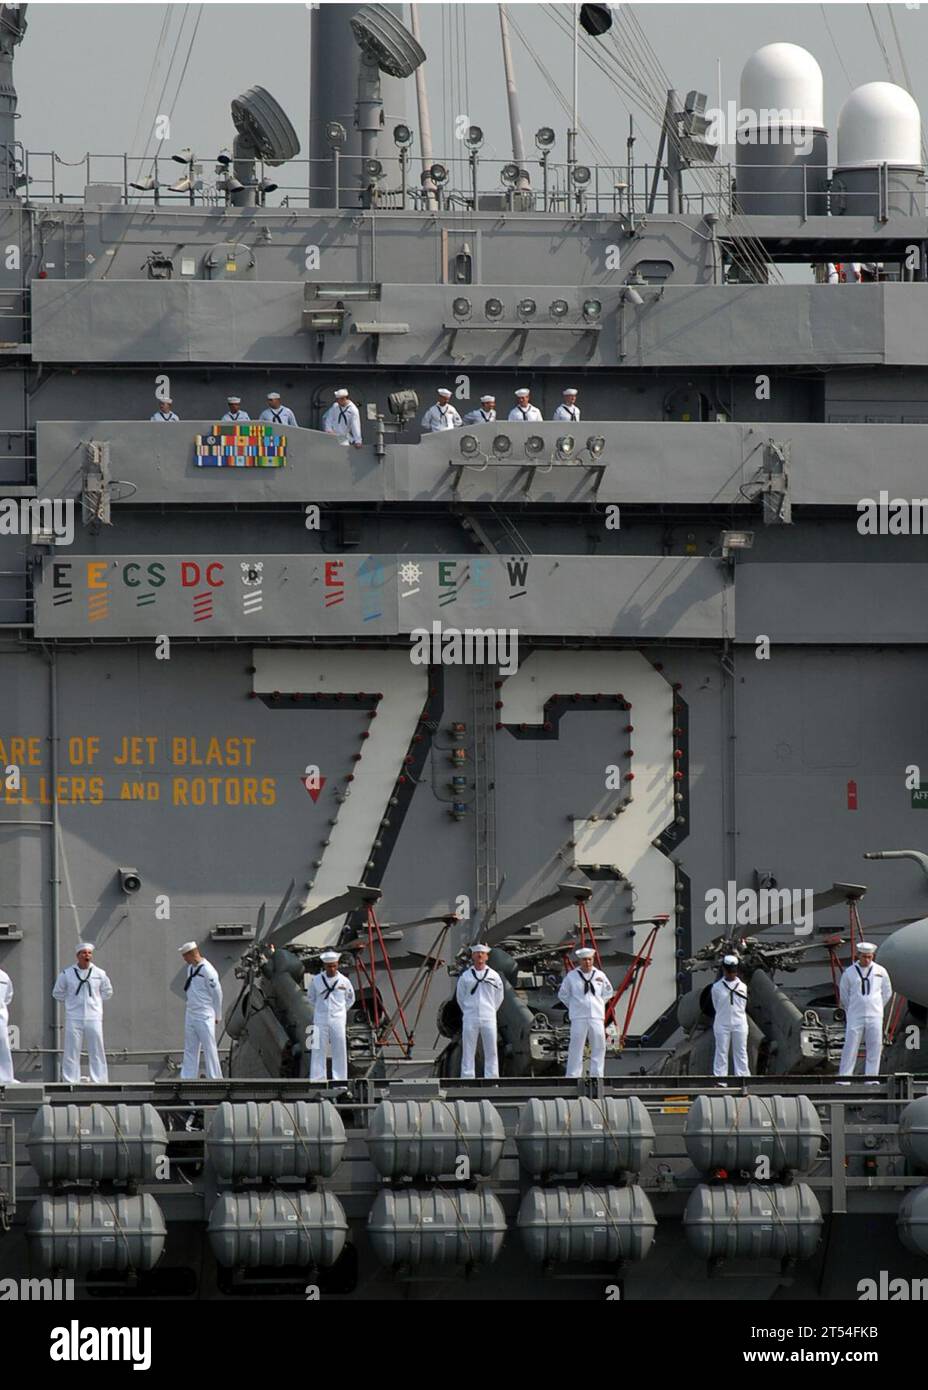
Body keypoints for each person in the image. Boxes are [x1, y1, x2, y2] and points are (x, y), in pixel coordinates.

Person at [52, 942, 113, 1083]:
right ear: (78, 956)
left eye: (89, 953)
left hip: (94, 1016)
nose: (87, 956)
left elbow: (107, 991)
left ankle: (100, 1079)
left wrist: (95, 1002)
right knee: (71, 1049)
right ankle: (70, 1079)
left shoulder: (99, 973)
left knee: (97, 1048)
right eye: (84, 953)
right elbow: (57, 993)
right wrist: (71, 1002)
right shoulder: (67, 973)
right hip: (74, 1016)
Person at [837, 941, 892, 1085]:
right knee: (851, 1045)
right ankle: (844, 1077)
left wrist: (878, 1006)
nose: (867, 960)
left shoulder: (880, 971)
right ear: (858, 956)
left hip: (875, 1014)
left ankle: (871, 1078)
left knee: (874, 1046)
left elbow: (887, 992)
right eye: (864, 957)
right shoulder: (849, 972)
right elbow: (844, 994)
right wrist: (853, 1008)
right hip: (855, 1014)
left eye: (870, 957)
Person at [557, 946, 614, 1078]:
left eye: (589, 959)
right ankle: (572, 1075)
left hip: (596, 1016)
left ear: (593, 960)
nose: (587, 962)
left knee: (599, 1046)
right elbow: (563, 995)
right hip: (578, 1017)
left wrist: (598, 1004)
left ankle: (597, 1075)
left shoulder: (600, 975)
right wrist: (575, 1006)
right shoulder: (572, 977)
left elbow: (608, 993)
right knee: (576, 1046)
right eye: (584, 960)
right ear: (579, 961)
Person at [456, 944, 504, 1079]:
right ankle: (467, 1077)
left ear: (487, 956)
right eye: (477, 953)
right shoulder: (465, 977)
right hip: (470, 1016)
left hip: (488, 1016)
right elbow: (460, 997)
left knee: (491, 1049)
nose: (480, 956)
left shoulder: (494, 976)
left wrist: (490, 1010)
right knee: (468, 1049)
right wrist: (468, 1011)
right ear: (472, 956)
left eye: (482, 953)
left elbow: (499, 996)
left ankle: (492, 1077)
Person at [306, 949, 356, 1082]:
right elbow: (310, 997)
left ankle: (340, 1079)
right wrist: (320, 1009)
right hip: (320, 1018)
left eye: (334, 966)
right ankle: (317, 1078)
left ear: (337, 965)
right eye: (329, 966)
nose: (332, 969)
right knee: (318, 1048)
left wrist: (340, 1011)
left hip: (338, 1019)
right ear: (324, 966)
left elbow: (350, 999)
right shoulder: (316, 981)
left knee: (339, 1048)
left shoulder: (344, 982)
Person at [179, 941, 223, 1079]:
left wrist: (218, 1014)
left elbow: (217, 993)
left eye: (185, 956)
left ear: (192, 954)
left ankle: (215, 1078)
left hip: (204, 1014)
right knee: (190, 1049)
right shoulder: (191, 968)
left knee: (209, 1048)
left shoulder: (208, 970)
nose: (184, 959)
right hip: (191, 1013)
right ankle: (187, 1078)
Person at [711, 953, 749, 1085]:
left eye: (733, 972)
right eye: (729, 971)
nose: (731, 974)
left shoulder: (743, 987)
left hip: (739, 1022)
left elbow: (742, 1006)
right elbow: (716, 1005)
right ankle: (720, 1080)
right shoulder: (716, 988)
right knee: (721, 1051)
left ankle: (743, 1078)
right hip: (722, 1022)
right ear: (724, 970)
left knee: (741, 1051)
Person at [0, 964, 15, 1084]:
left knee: (3, 1045)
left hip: (0, 1016)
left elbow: (8, 996)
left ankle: (6, 1078)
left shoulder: (4, 977)